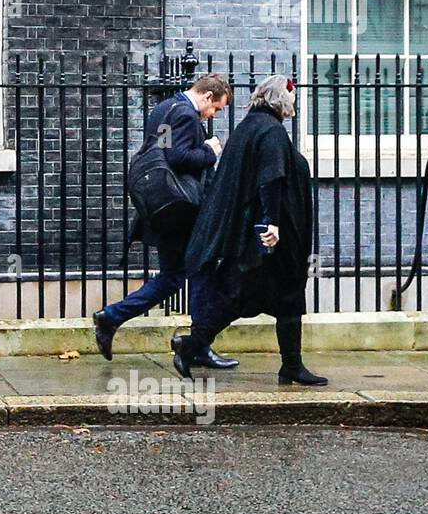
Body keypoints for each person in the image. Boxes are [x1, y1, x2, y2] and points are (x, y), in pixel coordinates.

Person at [175, 74, 327, 385]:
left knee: (246, 296)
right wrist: (272, 222)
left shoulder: (249, 127)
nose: (293, 105)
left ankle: (194, 345)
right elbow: (271, 178)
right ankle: (288, 365)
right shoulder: (270, 131)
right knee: (279, 294)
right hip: (274, 235)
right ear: (280, 100)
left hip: (255, 233)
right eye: (291, 99)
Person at [93, 74, 237, 370]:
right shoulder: (185, 115)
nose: (213, 115)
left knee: (173, 277)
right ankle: (198, 347)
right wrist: (210, 151)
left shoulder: (165, 108)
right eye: (216, 108)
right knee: (201, 272)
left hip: (165, 211)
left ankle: (113, 317)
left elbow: (163, 152)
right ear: (208, 96)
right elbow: (177, 157)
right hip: (181, 212)